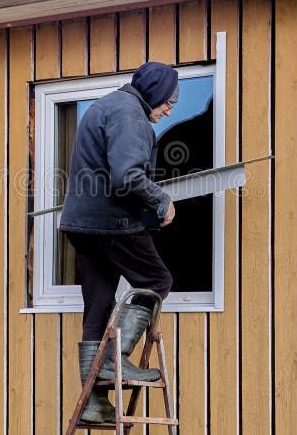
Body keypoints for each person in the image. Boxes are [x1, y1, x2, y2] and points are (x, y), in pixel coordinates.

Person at [59, 61, 179, 423]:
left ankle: (93, 405)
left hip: (82, 223)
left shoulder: (107, 106)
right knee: (156, 280)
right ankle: (113, 360)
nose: (169, 110)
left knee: (98, 305)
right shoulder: (131, 116)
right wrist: (161, 200)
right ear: (154, 94)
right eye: (168, 102)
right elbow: (127, 175)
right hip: (110, 222)